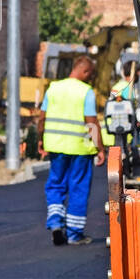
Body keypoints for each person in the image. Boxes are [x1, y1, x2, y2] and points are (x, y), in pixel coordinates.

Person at [37, 56, 104, 246]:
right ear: (84, 71)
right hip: (80, 149)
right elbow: (91, 122)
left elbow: (42, 118)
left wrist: (40, 140)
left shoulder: (53, 88)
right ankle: (74, 234)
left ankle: (56, 222)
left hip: (56, 146)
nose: (90, 78)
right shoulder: (86, 91)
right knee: (78, 188)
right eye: (90, 74)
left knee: (56, 185)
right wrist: (100, 149)